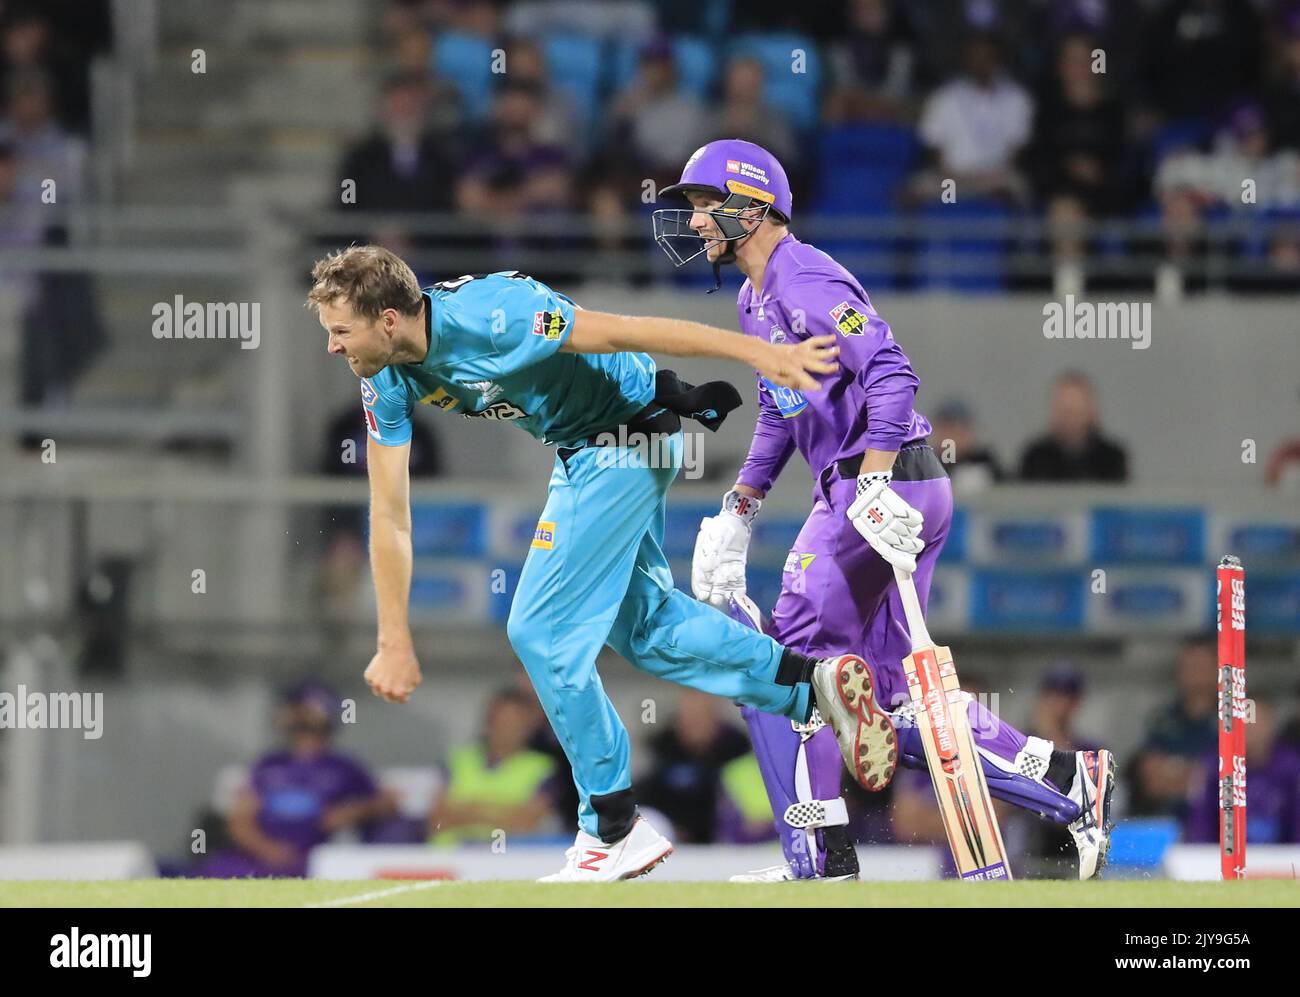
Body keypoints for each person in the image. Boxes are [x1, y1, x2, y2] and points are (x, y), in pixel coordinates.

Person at [305, 245, 889, 882]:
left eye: (341, 331)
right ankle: (813, 684)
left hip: (622, 437)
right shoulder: (383, 378)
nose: (333, 348)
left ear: (388, 320)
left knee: (539, 631)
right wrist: (393, 639)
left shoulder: (499, 311)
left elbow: (625, 330)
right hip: (588, 451)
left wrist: (762, 355)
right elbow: (389, 514)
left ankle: (612, 827)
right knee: (646, 628)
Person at [654, 138, 1116, 881]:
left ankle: (820, 855)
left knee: (795, 662)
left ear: (753, 206)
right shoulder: (752, 297)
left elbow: (893, 371)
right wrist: (741, 505)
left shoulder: (801, 276)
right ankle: (1064, 778)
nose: (696, 220)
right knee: (889, 699)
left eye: (707, 204)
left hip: (881, 477)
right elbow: (780, 411)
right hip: (893, 481)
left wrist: (870, 481)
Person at [195, 681, 396, 878]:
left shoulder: (343, 767)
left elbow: (387, 802)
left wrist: (350, 812)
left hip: (313, 856)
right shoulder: (269, 764)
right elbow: (241, 819)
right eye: (299, 709)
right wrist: (267, 849)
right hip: (260, 854)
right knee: (214, 871)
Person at [428, 687, 559, 845]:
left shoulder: (542, 768)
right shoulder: (457, 760)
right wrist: (499, 812)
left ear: (529, 727)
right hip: (451, 860)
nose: (507, 728)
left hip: (505, 861)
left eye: (515, 722)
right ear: (489, 720)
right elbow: (436, 821)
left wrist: (468, 810)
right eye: (502, 719)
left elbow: (526, 823)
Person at [1018, 370, 1129, 482]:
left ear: (1091, 411)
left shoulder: (1111, 458)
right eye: (1065, 411)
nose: (1071, 419)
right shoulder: (1036, 457)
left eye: (1076, 411)